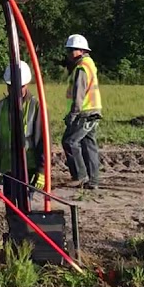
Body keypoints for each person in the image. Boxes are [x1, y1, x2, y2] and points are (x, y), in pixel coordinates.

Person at [0, 62, 43, 192]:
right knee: (11, 210)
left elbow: (43, 141)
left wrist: (42, 171)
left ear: (26, 84)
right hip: (8, 170)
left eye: (19, 87)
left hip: (28, 169)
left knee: (25, 209)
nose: (14, 90)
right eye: (10, 86)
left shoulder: (36, 107)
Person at [61, 34, 101, 189]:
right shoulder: (89, 64)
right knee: (88, 144)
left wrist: (73, 114)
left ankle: (80, 176)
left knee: (70, 141)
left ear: (81, 50)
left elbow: (79, 93)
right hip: (93, 110)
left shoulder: (82, 67)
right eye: (69, 50)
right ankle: (93, 181)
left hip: (85, 112)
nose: (70, 53)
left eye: (72, 50)